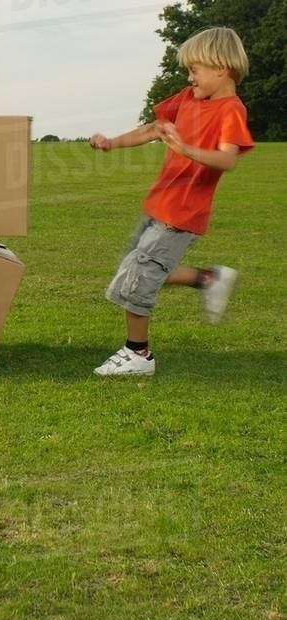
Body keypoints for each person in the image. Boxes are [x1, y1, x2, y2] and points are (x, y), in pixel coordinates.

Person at [90, 26, 254, 377]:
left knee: (139, 276)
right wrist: (111, 143)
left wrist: (186, 150)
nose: (189, 77)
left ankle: (139, 355)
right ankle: (206, 279)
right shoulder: (188, 99)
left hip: (182, 214)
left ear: (220, 67)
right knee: (136, 272)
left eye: (195, 69)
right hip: (158, 204)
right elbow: (153, 129)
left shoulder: (231, 111)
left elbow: (227, 159)